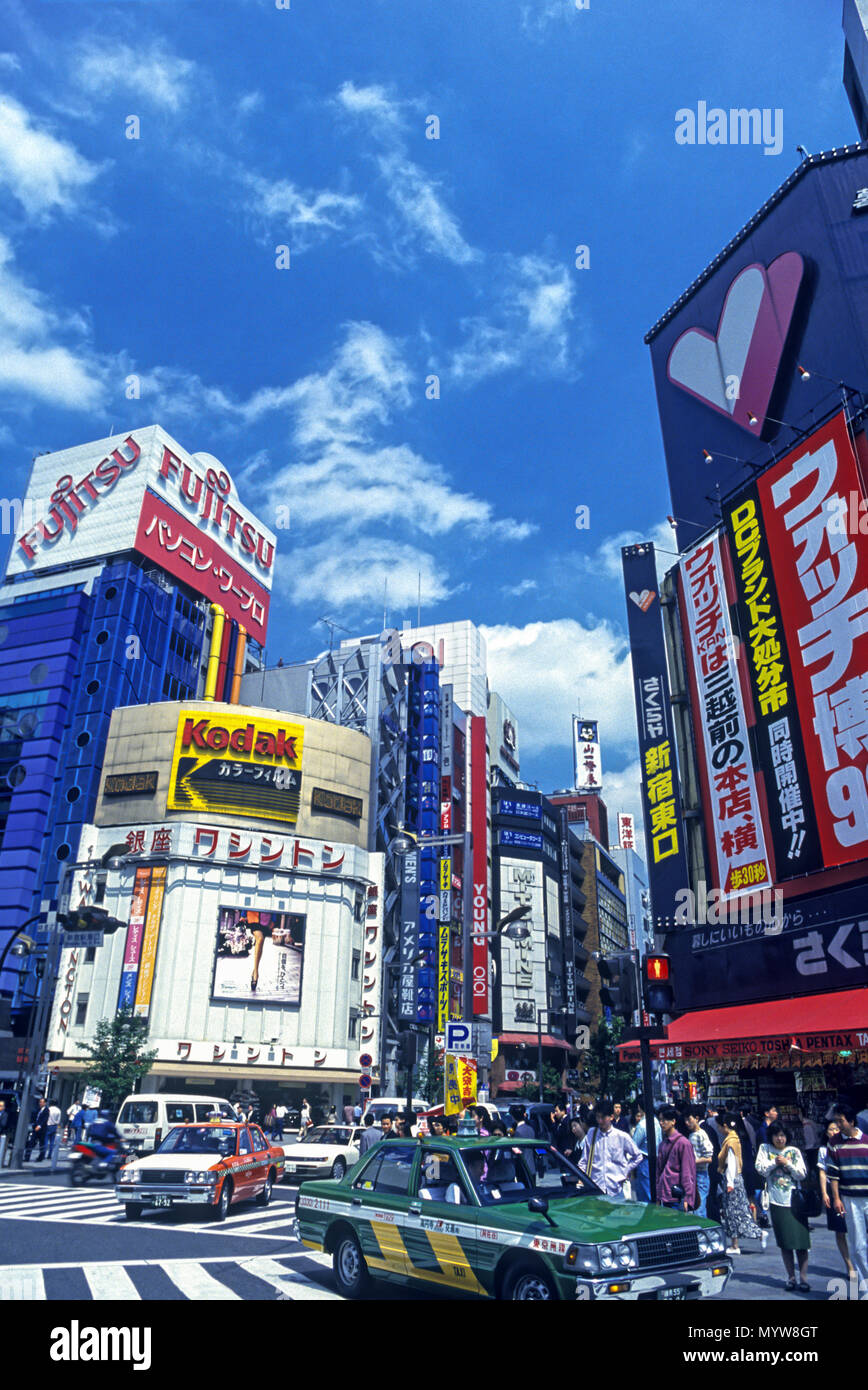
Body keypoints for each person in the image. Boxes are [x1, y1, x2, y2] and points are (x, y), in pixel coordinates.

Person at [755, 1122, 811, 1292]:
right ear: (771, 1136)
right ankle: (791, 1277)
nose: (780, 1139)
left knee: (801, 1243)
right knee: (785, 1243)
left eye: (783, 1135)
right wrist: (775, 1163)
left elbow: (801, 1174)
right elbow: (761, 1169)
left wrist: (787, 1163)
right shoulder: (765, 1149)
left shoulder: (794, 1152)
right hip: (776, 1201)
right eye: (777, 1135)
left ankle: (803, 1278)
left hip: (795, 1202)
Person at [828, 1101, 868, 1287]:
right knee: (858, 1244)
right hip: (850, 1199)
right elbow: (833, 1173)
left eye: (841, 1121)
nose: (838, 1125)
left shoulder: (866, 1141)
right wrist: (836, 1198)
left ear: (851, 1121)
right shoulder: (834, 1144)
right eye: (836, 1121)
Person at [718, 1111, 766, 1254]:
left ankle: (744, 1241)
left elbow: (731, 1163)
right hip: (734, 1180)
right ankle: (736, 1243)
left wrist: (729, 1183)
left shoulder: (730, 1141)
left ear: (725, 1126)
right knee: (737, 1213)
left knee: (735, 1213)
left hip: (732, 1180)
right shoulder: (734, 1138)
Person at [578, 1100, 643, 1200]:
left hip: (616, 1190)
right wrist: (581, 1178)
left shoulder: (621, 1136)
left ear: (611, 1117)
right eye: (598, 1117)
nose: (600, 1121)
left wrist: (625, 1170)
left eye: (603, 1117)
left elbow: (638, 1156)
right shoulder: (592, 1134)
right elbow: (584, 1160)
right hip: (596, 1189)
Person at [817, 1120, 856, 1284]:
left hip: (850, 1190)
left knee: (856, 1229)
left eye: (836, 1128)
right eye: (830, 1129)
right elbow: (822, 1172)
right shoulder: (824, 1150)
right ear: (826, 1133)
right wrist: (825, 1193)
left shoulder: (846, 1145)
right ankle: (850, 1267)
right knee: (840, 1230)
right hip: (834, 1193)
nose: (834, 1132)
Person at [657, 1106, 697, 1212]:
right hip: (664, 1195)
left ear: (673, 1121)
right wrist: (658, 1195)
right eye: (660, 1120)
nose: (661, 1123)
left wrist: (687, 1198)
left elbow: (687, 1172)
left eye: (665, 1120)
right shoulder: (662, 1144)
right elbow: (659, 1171)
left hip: (678, 1196)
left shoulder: (683, 1143)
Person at [631, 1103, 662, 1204]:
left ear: (639, 1107)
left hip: (644, 1161)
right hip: (657, 1159)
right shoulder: (656, 1121)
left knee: (645, 1195)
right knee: (653, 1192)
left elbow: (633, 1145)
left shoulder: (642, 1124)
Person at [685, 1108, 714, 1217]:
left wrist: (692, 1162)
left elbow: (709, 1158)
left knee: (699, 1209)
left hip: (701, 1175)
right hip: (694, 1175)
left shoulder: (701, 1134)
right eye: (685, 1120)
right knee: (696, 1207)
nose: (687, 1123)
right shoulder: (692, 1134)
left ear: (696, 1119)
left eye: (689, 1120)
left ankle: (702, 1233)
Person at [31, 1097, 51, 1161]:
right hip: (35, 1128)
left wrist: (39, 1126)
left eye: (41, 1102)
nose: (40, 1103)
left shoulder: (46, 1110)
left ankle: (41, 1157)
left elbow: (45, 1120)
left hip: (42, 1129)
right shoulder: (38, 1109)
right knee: (31, 1142)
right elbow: (35, 1117)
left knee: (41, 1144)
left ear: (45, 1103)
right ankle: (27, 1157)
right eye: (40, 1102)